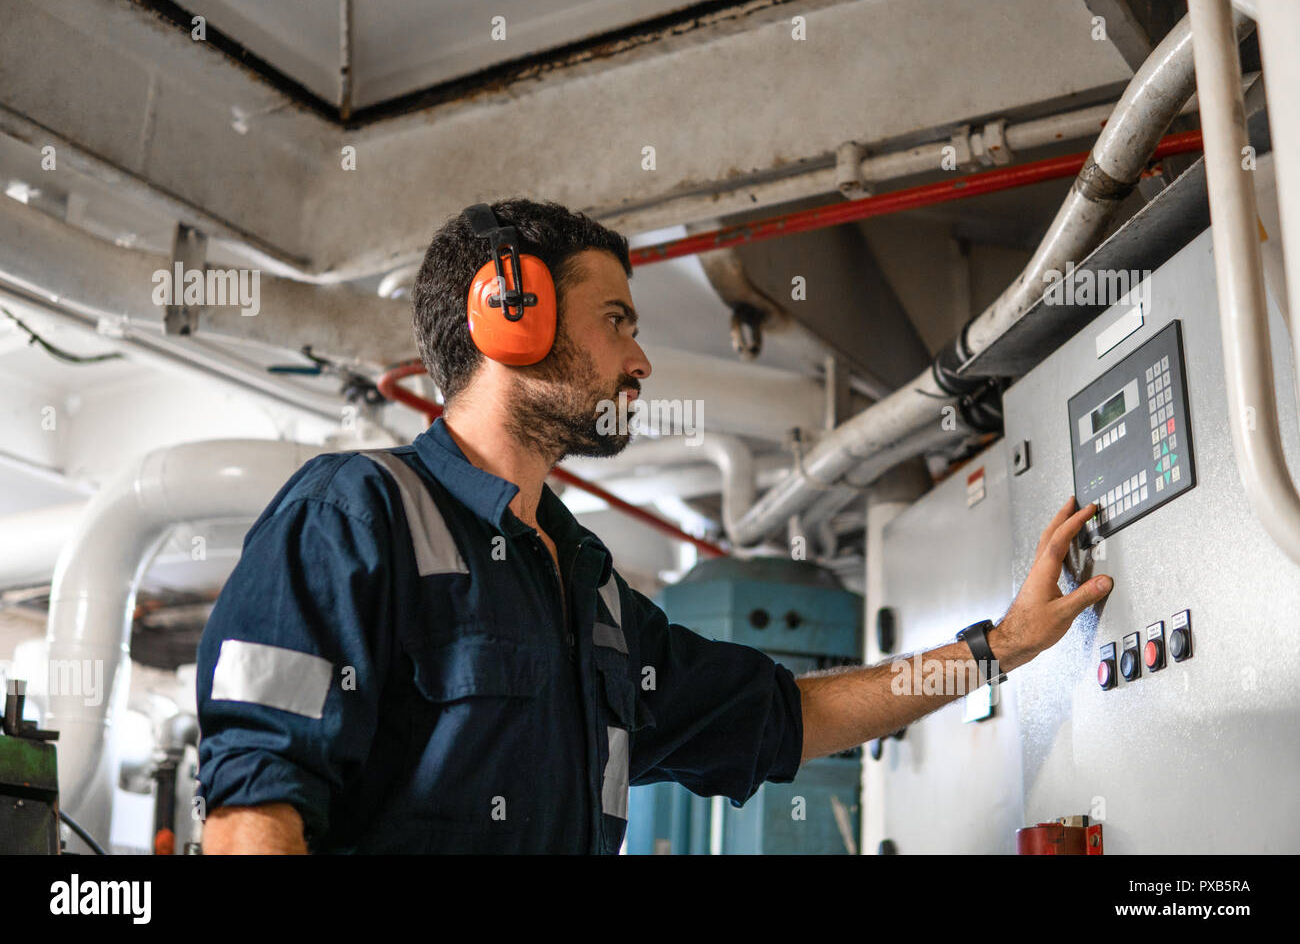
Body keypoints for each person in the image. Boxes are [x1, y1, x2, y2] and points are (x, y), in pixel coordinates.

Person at [196, 198, 1111, 853]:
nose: (638, 360)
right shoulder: (354, 515)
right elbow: (254, 816)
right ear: (512, 316)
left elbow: (784, 716)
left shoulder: (584, 581)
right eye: (617, 320)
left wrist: (997, 649)